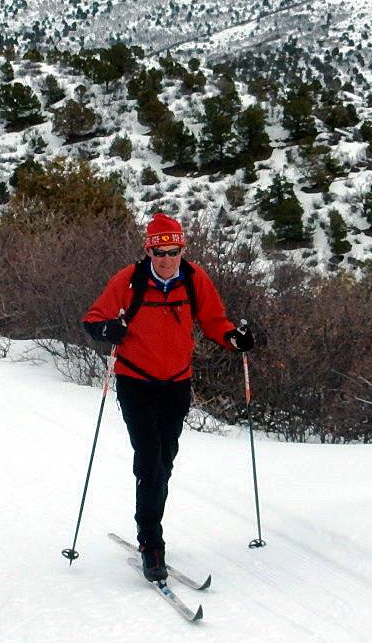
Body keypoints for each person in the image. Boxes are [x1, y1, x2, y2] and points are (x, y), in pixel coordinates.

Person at [81, 213, 254, 581]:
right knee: (149, 461)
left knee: (165, 461)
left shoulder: (193, 278)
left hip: (176, 383)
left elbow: (214, 321)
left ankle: (150, 523)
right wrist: (108, 329)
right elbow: (93, 319)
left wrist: (233, 338)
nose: (166, 259)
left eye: (173, 252)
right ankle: (151, 542)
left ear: (182, 250)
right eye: (159, 252)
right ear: (149, 251)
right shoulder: (130, 279)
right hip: (135, 381)